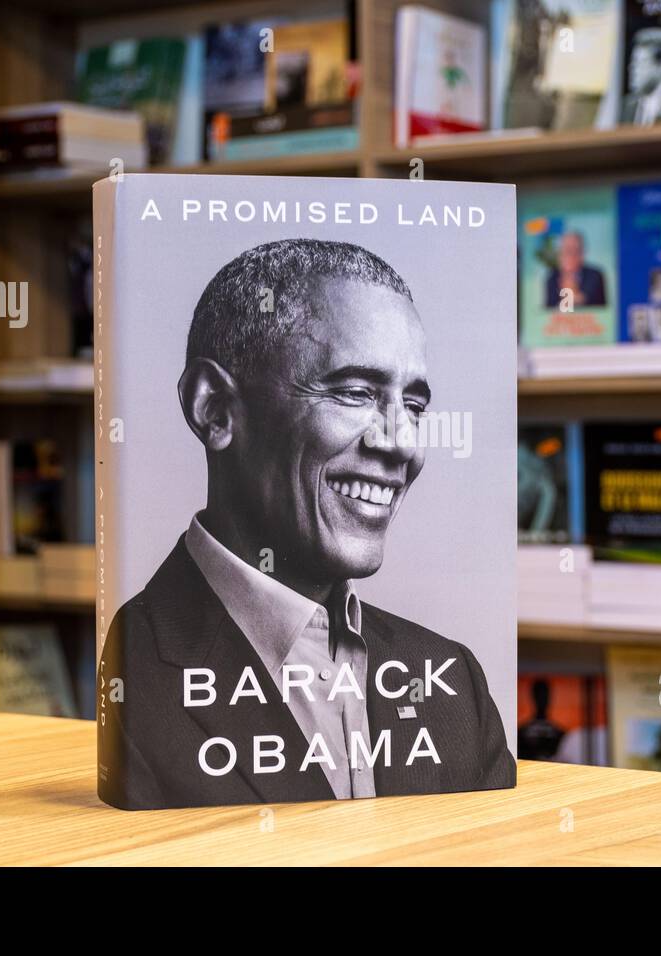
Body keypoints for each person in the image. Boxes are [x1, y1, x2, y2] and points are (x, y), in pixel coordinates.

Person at [98, 238, 515, 809]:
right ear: (214, 408)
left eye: (413, 406)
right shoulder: (132, 678)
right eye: (354, 392)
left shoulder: (451, 680)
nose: (401, 444)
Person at [545, 231, 607, 308]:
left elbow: (586, 301)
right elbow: (549, 310)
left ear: (582, 253)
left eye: (576, 250)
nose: (572, 255)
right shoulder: (552, 278)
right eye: (567, 250)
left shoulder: (595, 276)